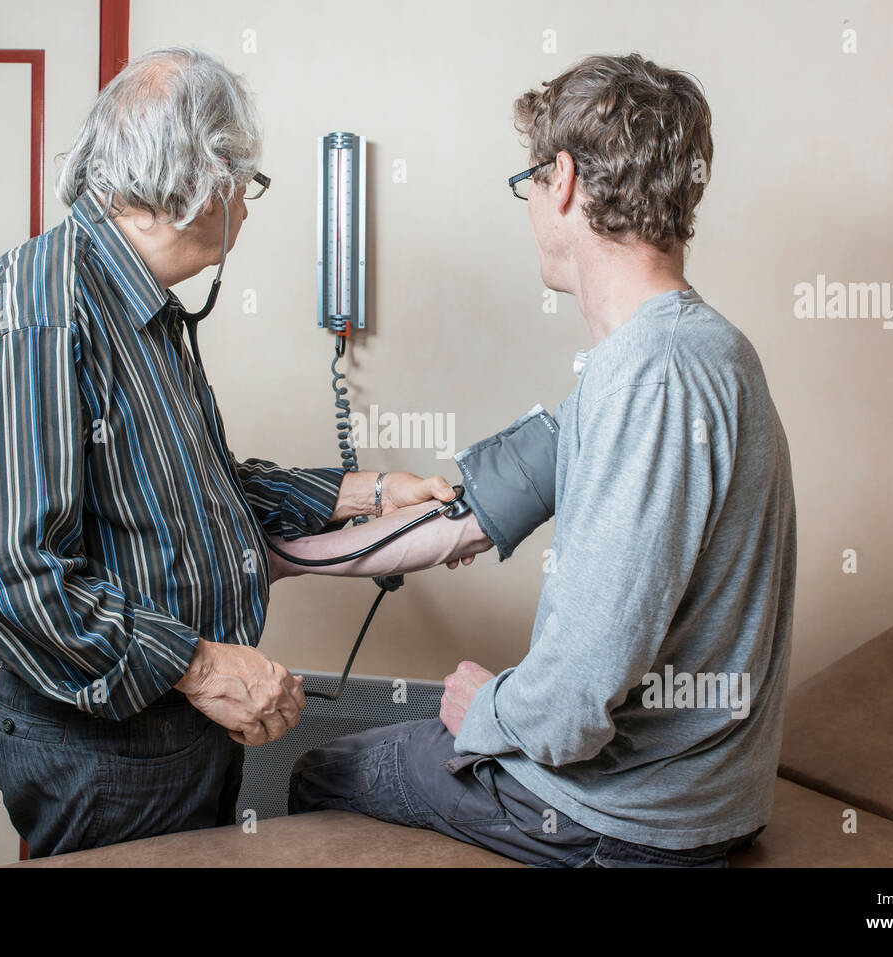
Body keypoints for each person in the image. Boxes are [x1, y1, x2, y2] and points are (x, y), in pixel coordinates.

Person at [0, 46, 459, 858]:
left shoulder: (139, 310)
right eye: (247, 180)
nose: (246, 202)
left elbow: (199, 494)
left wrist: (370, 491)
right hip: (106, 751)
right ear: (208, 180)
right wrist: (204, 666)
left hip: (175, 735)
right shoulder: (40, 311)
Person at [289, 52, 798, 868]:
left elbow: (573, 704)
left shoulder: (650, 380)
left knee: (321, 768)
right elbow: (478, 508)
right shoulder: (691, 349)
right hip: (696, 796)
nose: (530, 204)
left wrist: (484, 704)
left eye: (529, 181)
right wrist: (285, 556)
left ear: (560, 179)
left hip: (627, 815)